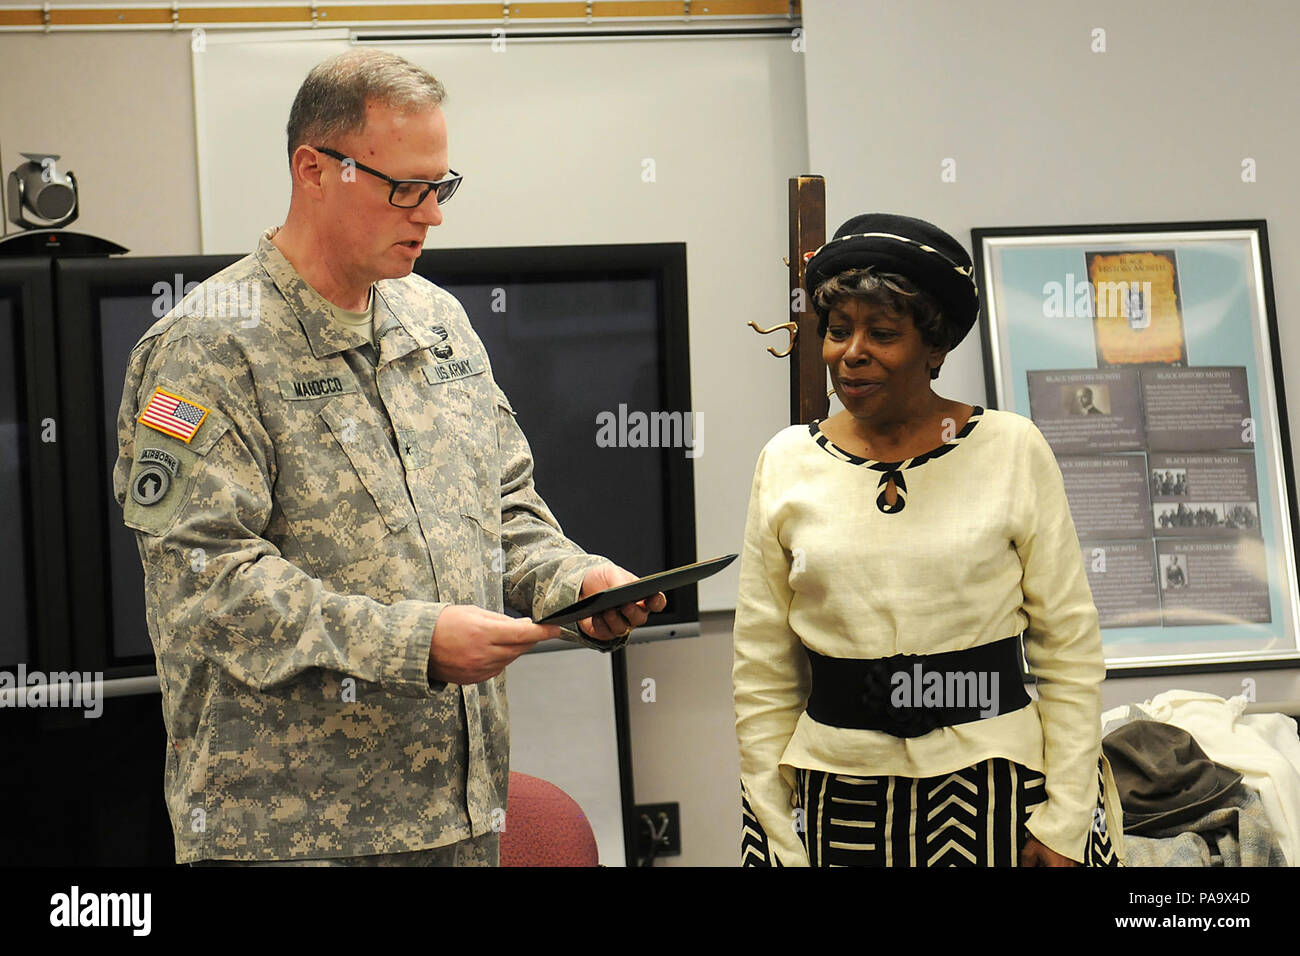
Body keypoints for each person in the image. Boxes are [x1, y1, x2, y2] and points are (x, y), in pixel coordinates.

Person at [114, 49, 663, 866]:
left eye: (441, 187)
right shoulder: (205, 348)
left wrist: (574, 583)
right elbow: (205, 582)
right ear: (313, 170)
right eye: (405, 188)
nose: (432, 215)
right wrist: (415, 643)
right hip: (290, 836)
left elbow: (505, 510)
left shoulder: (438, 323)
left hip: (461, 818)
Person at [733, 213, 1123, 868]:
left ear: (935, 347)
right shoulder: (785, 462)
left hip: (999, 794)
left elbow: (1069, 650)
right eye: (838, 330)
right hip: (839, 797)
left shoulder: (1010, 449)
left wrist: (1066, 819)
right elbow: (763, 670)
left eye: (883, 333)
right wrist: (775, 832)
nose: (851, 352)